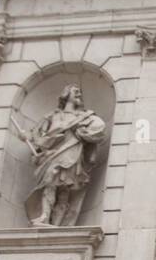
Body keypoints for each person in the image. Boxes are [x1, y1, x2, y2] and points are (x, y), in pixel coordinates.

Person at [18, 84, 106, 226]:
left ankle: (57, 225)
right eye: (75, 92)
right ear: (66, 95)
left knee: (64, 188)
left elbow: (99, 130)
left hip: (72, 152)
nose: (79, 94)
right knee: (49, 182)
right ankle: (45, 217)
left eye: (80, 93)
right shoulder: (52, 116)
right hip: (51, 154)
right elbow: (35, 134)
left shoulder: (85, 117)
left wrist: (81, 132)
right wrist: (24, 135)